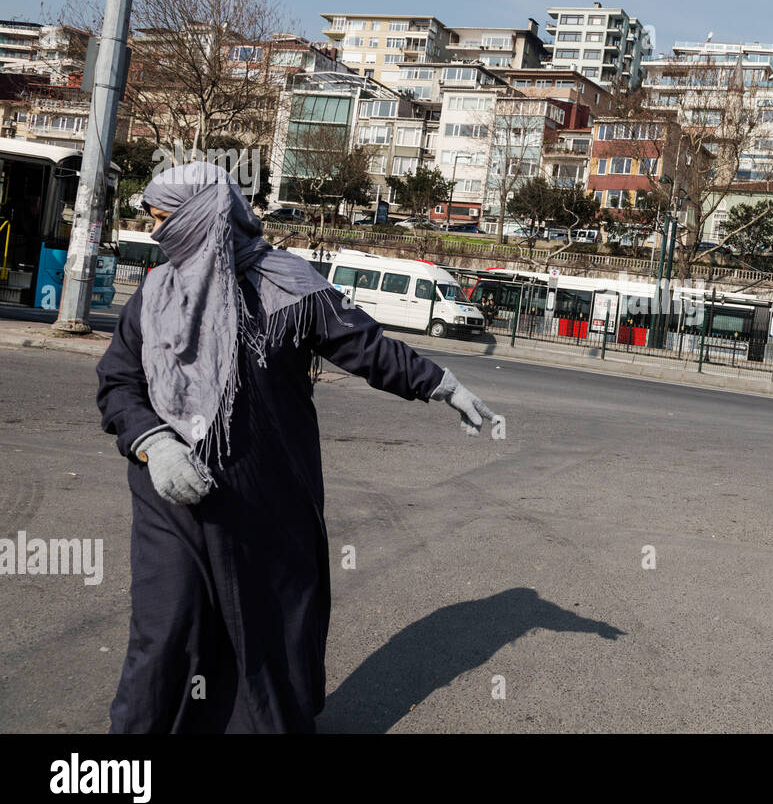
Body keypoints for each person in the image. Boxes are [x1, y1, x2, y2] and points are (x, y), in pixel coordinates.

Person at [96, 162, 502, 733]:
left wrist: (440, 384)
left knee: (265, 628)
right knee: (165, 628)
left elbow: (366, 346)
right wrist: (154, 443)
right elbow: (118, 383)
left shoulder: (289, 287)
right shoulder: (155, 292)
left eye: (164, 219)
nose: (158, 232)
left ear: (200, 217)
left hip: (265, 501)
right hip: (171, 499)